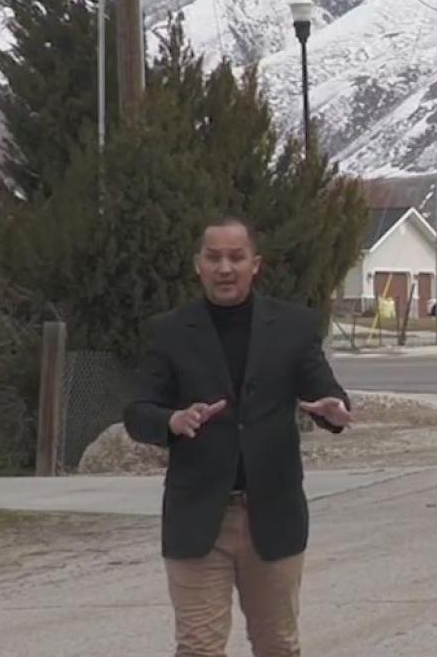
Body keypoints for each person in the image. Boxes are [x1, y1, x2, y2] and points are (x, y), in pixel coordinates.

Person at [124, 215, 352, 657]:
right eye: (214, 258)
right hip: (198, 519)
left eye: (235, 257)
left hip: (273, 515)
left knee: (278, 645)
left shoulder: (294, 326)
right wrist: (172, 421)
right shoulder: (169, 331)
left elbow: (325, 392)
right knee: (197, 648)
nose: (224, 268)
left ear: (255, 264)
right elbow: (138, 412)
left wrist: (334, 412)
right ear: (198, 265)